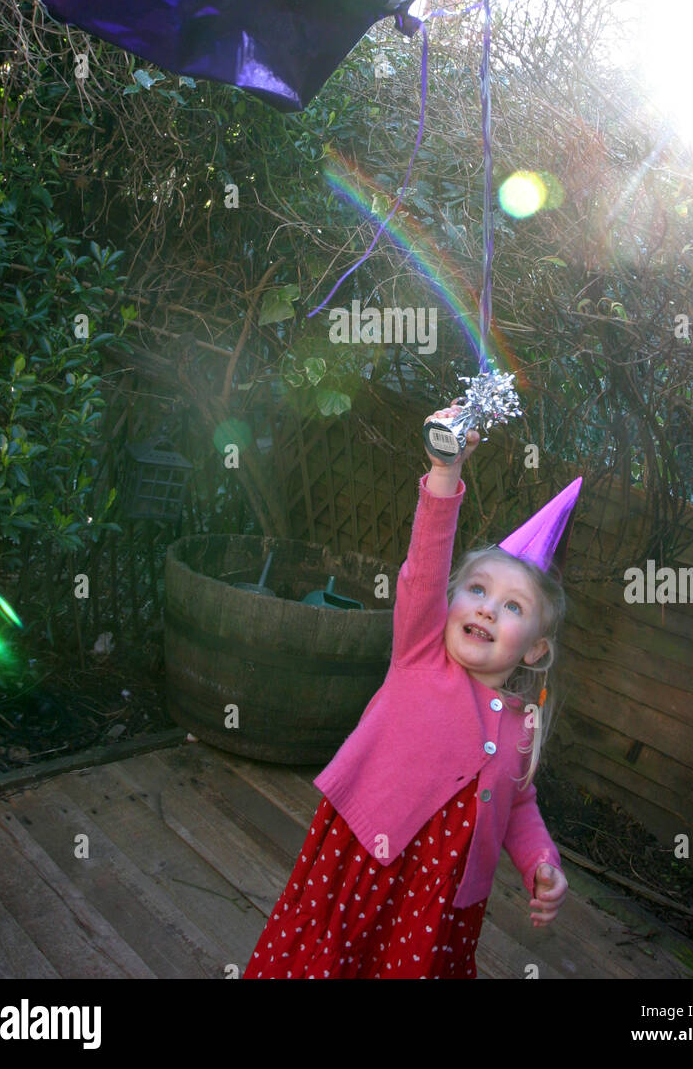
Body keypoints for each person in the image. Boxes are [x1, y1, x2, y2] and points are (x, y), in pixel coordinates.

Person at [243, 401, 579, 979]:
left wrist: (540, 862)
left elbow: (518, 805)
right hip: (361, 864)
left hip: (440, 904)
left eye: (513, 606)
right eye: (476, 589)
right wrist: (445, 472)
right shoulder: (420, 655)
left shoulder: (522, 723)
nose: (487, 609)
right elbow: (424, 567)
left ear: (534, 650)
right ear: (449, 602)